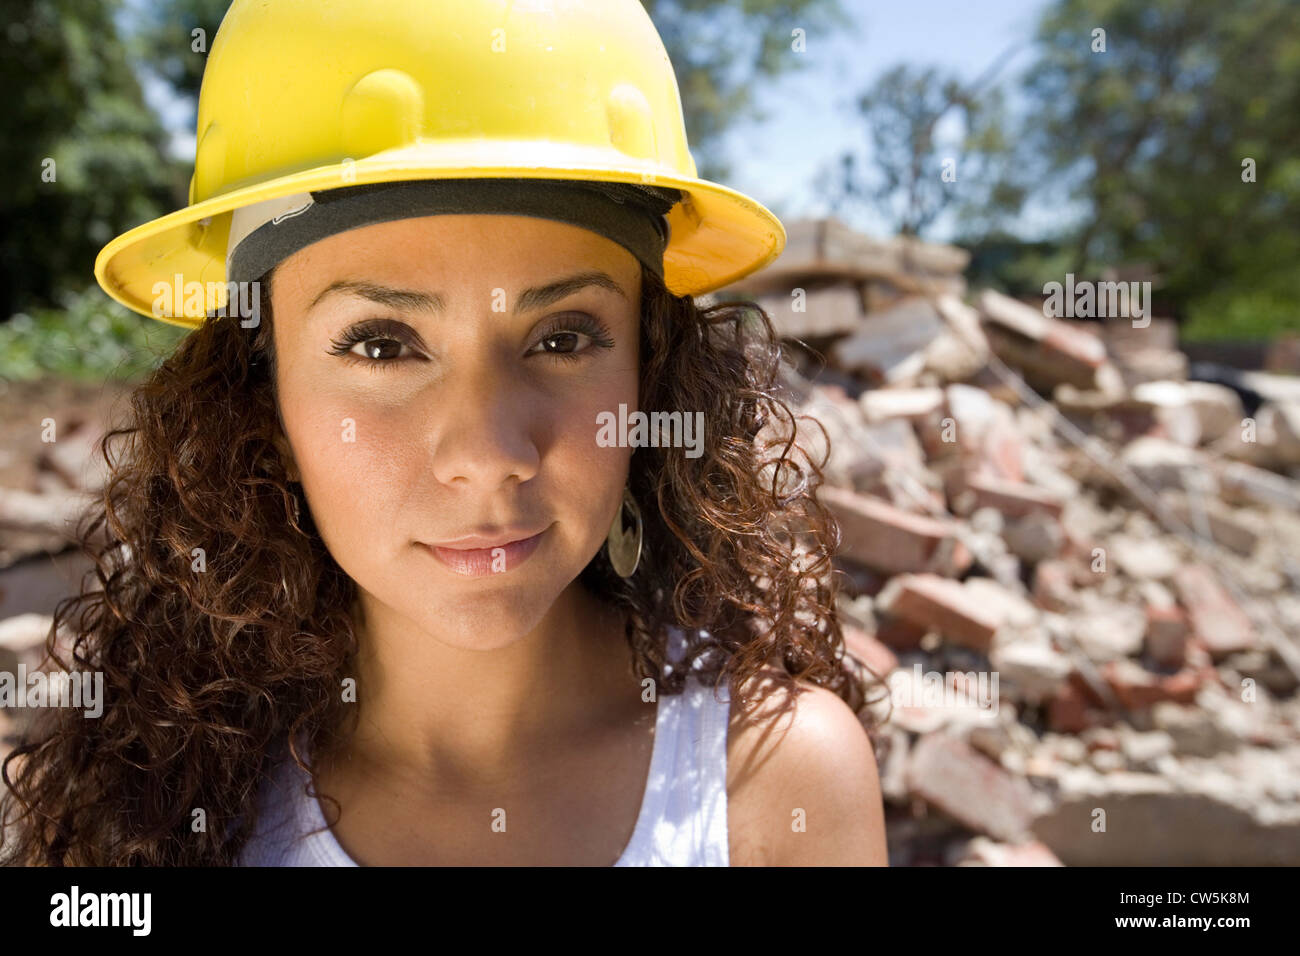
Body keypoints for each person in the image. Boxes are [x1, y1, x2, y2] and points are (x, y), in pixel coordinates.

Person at [1, 0, 888, 866]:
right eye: (383, 346)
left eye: (563, 337)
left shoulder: (777, 786)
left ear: (648, 373)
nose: (489, 454)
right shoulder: (155, 807)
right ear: (258, 408)